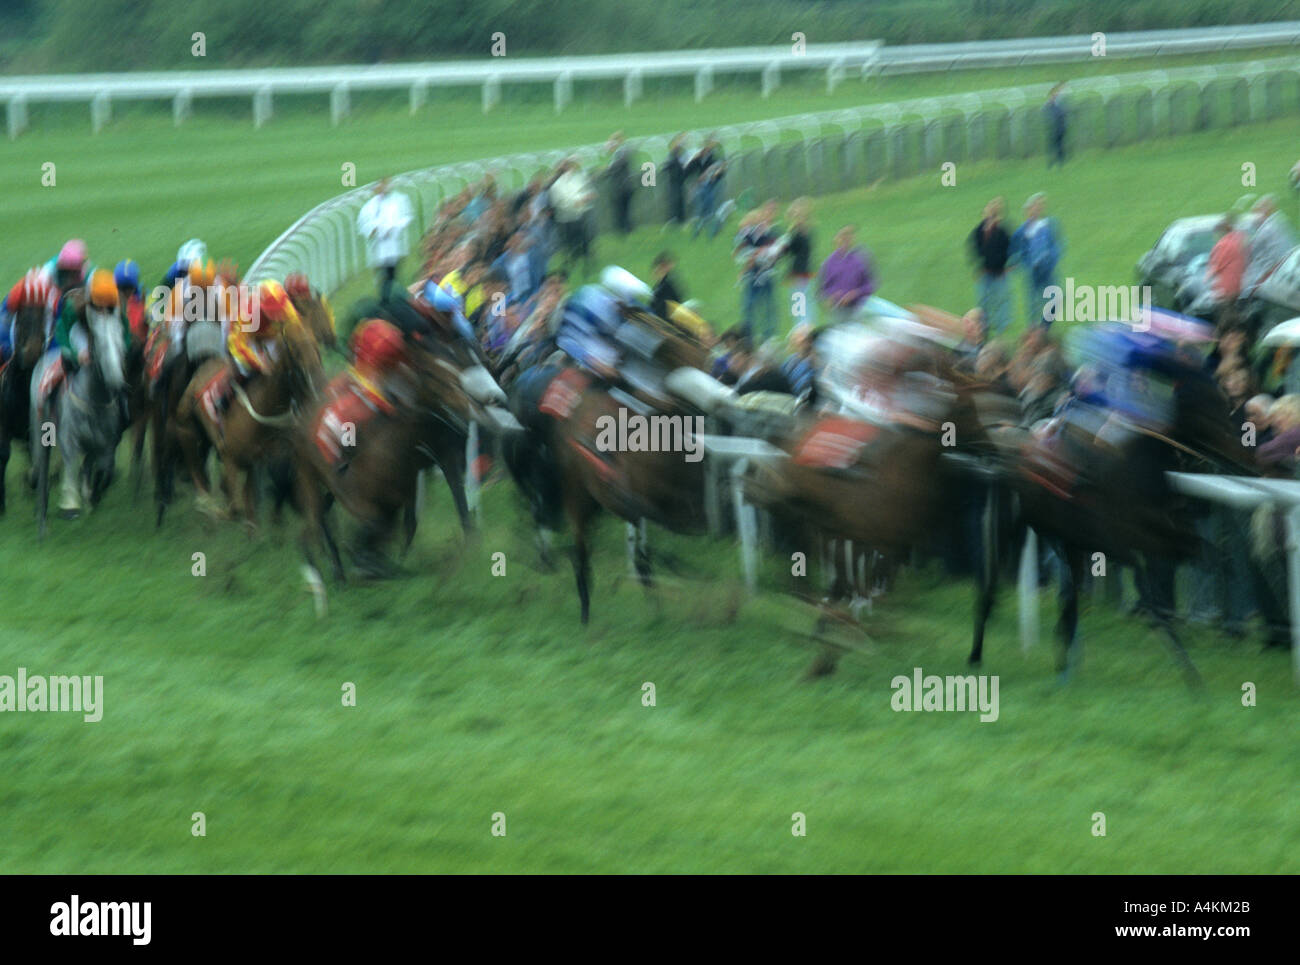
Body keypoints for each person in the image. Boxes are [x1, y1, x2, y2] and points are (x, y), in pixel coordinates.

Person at [1010, 193, 1064, 328]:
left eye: (1040, 205)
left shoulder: (1049, 224)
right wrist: (1020, 264)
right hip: (1032, 272)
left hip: (1047, 270)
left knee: (1056, 298)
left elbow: (1057, 245)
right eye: (1034, 206)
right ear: (1027, 210)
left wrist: (1052, 260)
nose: (1037, 209)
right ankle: (1033, 330)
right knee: (1033, 304)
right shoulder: (1022, 231)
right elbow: (1014, 250)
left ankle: (1044, 327)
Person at [357, 178, 414, 301]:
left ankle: (393, 298)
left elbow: (405, 218)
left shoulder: (396, 202)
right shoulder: (370, 207)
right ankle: (385, 299)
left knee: (393, 274)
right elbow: (365, 225)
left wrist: (393, 228)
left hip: (394, 246)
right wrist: (376, 230)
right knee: (383, 276)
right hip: (379, 248)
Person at [734, 201, 783, 342]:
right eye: (766, 211)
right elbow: (743, 251)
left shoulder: (775, 232)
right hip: (752, 275)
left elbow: (776, 254)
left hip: (767, 275)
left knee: (768, 306)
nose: (768, 214)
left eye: (772, 211)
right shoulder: (752, 232)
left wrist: (761, 254)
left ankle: (769, 337)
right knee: (748, 306)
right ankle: (748, 338)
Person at [969, 197, 1012, 335]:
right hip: (984, 273)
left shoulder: (1002, 231)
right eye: (989, 210)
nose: (991, 213)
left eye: (994, 210)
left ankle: (1001, 328)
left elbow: (1008, 249)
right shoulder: (979, 231)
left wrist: (1006, 266)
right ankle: (983, 328)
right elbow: (974, 248)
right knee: (983, 302)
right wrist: (979, 265)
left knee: (1001, 301)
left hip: (999, 273)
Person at [817, 225, 875, 323]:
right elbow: (822, 290)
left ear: (853, 239)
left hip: (858, 308)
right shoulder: (828, 264)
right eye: (842, 237)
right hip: (838, 311)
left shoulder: (861, 260)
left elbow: (870, 285)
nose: (844, 240)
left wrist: (855, 293)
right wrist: (831, 296)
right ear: (836, 239)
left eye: (848, 237)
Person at [550, 159, 597, 271]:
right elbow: (559, 203)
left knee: (585, 240)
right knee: (571, 243)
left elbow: (590, 192)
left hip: (580, 215)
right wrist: (579, 201)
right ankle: (572, 262)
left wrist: (585, 198)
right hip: (567, 219)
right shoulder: (556, 185)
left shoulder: (577, 179)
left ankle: (587, 261)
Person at [783, 198, 815, 328]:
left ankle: (802, 330)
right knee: (803, 303)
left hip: (799, 272)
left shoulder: (798, 232)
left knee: (799, 303)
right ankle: (805, 328)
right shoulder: (804, 231)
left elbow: (788, 250)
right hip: (804, 270)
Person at [688, 137, 726, 239]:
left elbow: (722, 168)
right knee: (701, 207)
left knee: (712, 208)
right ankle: (699, 228)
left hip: (714, 185)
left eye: (709, 146)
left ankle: (711, 230)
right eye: (705, 146)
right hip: (702, 185)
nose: (707, 149)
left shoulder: (715, 157)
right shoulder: (698, 158)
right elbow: (690, 169)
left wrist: (715, 175)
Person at [606, 132, 635, 235]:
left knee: (622, 208)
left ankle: (624, 228)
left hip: (622, 186)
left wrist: (607, 170)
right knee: (624, 208)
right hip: (625, 185)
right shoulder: (623, 151)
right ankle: (625, 228)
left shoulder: (622, 152)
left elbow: (616, 167)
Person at [663, 135, 689, 225]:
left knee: (679, 200)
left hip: (679, 181)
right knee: (675, 201)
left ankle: (680, 219)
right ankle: (677, 219)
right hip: (674, 181)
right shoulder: (672, 155)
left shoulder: (678, 154)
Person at [650, 251, 684, 319]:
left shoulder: (668, 283)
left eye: (657, 268)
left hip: (665, 320)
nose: (655, 271)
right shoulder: (663, 283)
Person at [1044, 83, 1067, 167]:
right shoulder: (1052, 105)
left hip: (1059, 129)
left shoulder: (1057, 105)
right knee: (1054, 146)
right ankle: (1055, 161)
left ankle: (1058, 161)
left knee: (1058, 145)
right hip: (1055, 129)